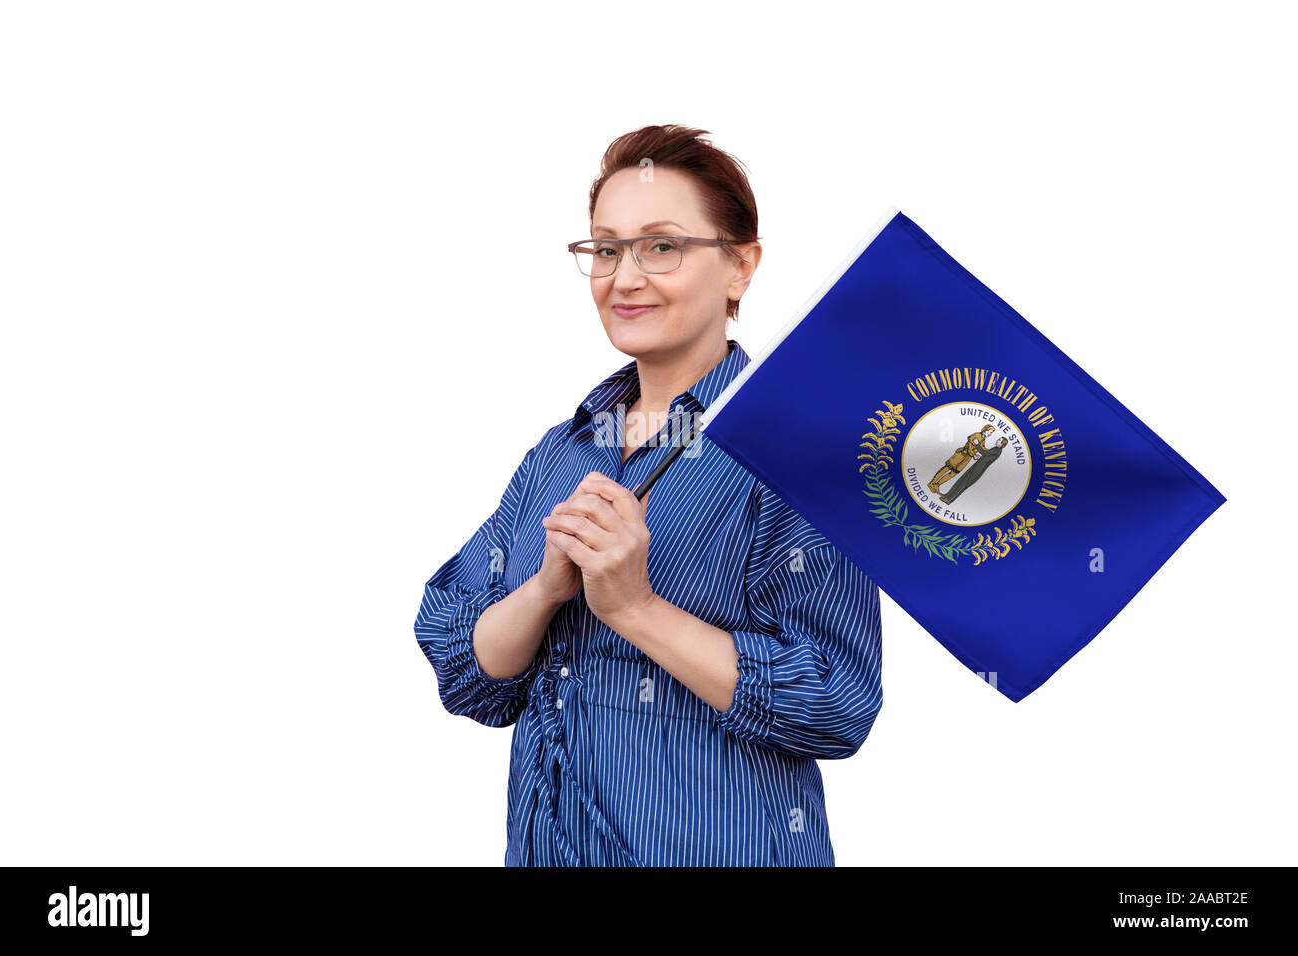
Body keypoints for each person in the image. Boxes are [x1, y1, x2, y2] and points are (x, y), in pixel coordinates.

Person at [413, 125, 883, 866]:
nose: (624, 277)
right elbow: (467, 672)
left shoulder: (797, 457)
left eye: (662, 246)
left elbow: (835, 704)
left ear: (740, 266)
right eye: (605, 249)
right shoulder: (561, 452)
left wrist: (634, 607)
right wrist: (542, 592)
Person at [941, 437, 1009, 504]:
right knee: (962, 481)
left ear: (1002, 444)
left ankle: (949, 499)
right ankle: (947, 496)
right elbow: (988, 456)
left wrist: (977, 445)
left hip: (978, 468)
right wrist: (979, 457)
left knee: (963, 483)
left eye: (1000, 440)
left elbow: (985, 453)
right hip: (978, 466)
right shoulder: (996, 449)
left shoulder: (997, 450)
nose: (997, 440)